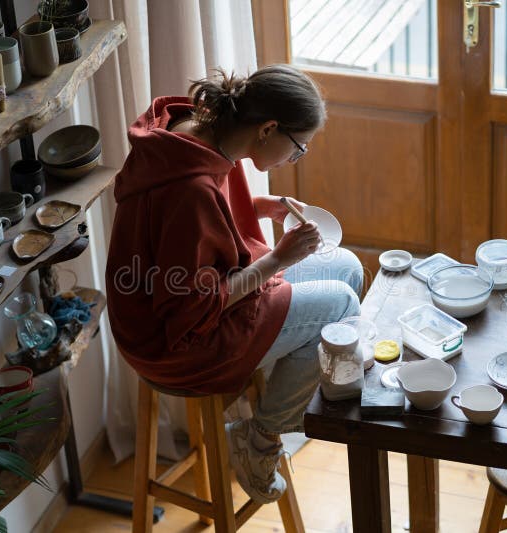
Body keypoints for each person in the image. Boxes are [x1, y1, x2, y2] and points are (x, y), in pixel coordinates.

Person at [105, 64, 363, 504]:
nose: (295, 157)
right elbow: (194, 305)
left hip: (193, 294)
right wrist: (281, 257)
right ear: (268, 129)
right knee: (340, 304)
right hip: (173, 341)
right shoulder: (189, 188)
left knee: (348, 268)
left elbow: (208, 219)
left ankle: (283, 407)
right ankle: (260, 439)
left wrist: (267, 206)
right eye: (298, 148)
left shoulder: (200, 129)